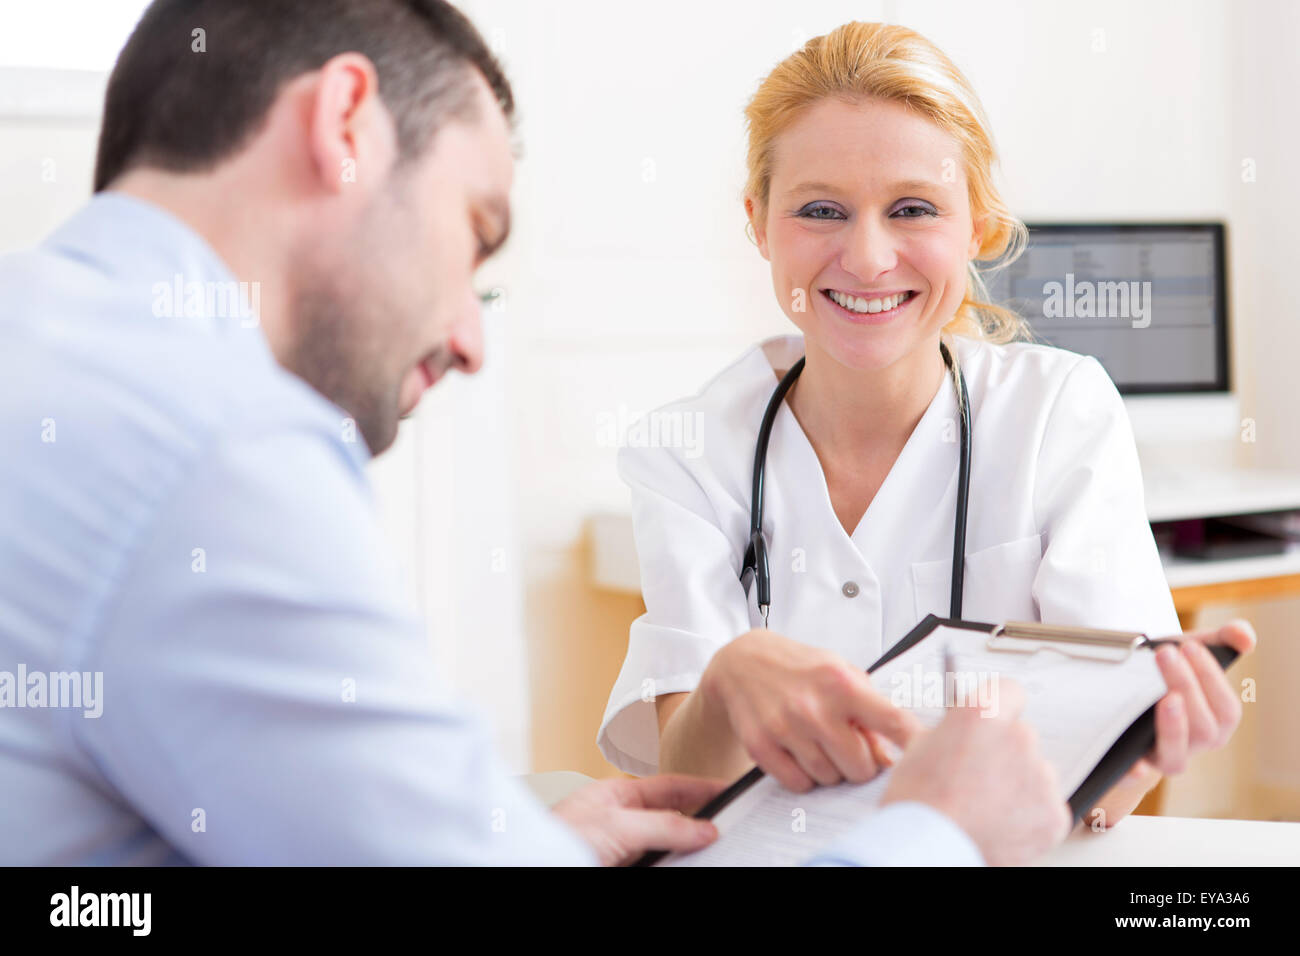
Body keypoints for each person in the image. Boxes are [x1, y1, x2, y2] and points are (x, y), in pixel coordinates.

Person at [0, 0, 1103, 867]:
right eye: (476, 233)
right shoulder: (215, 447)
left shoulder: (50, 341)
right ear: (344, 123)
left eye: (912, 209)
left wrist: (512, 848)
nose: (472, 338)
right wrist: (941, 837)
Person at [597, 21, 1255, 829]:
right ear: (758, 223)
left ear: (975, 223)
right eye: (820, 210)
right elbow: (692, 781)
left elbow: (1109, 777)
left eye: (912, 208)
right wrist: (729, 681)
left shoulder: (1060, 415)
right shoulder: (690, 452)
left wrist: (1144, 743)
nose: (869, 258)